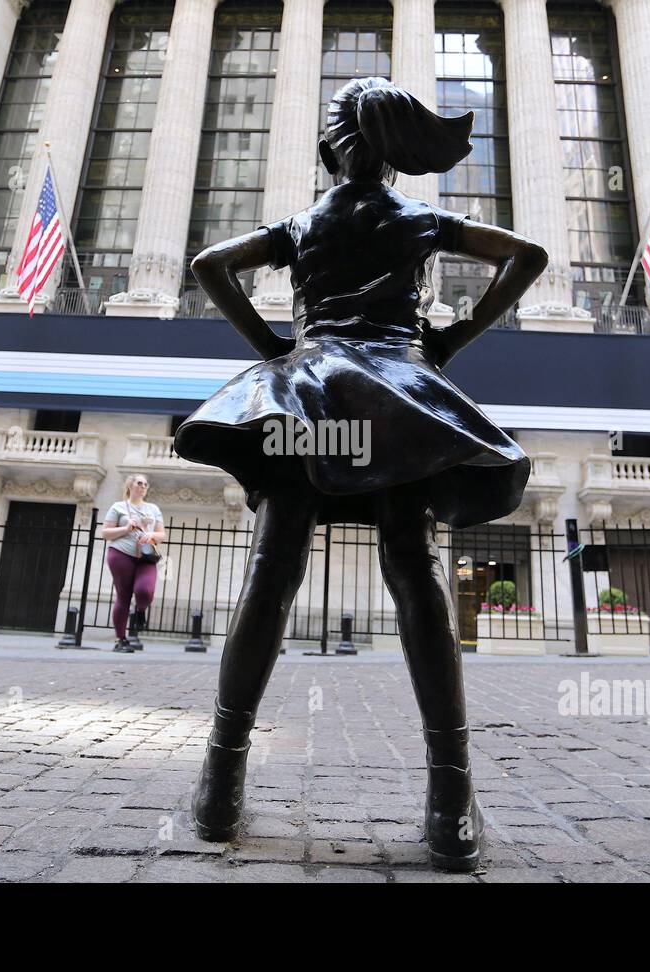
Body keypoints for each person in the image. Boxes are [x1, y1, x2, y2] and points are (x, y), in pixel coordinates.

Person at [173, 77, 548, 871]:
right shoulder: (418, 217)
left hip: (308, 396)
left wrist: (275, 348)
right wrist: (454, 337)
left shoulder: (304, 221)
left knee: (271, 575)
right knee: (416, 576)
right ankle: (451, 805)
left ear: (329, 149)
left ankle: (219, 783)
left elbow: (211, 264)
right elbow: (527, 254)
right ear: (394, 153)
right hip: (398, 398)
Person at [100, 475, 165, 653]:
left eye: (145, 484)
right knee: (124, 596)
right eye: (139, 483)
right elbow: (105, 533)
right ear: (130, 486)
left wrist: (151, 536)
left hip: (146, 557)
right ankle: (120, 639)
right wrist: (125, 528)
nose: (143, 486)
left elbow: (161, 535)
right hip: (121, 554)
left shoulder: (153, 509)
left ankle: (140, 610)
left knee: (145, 591)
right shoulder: (118, 507)